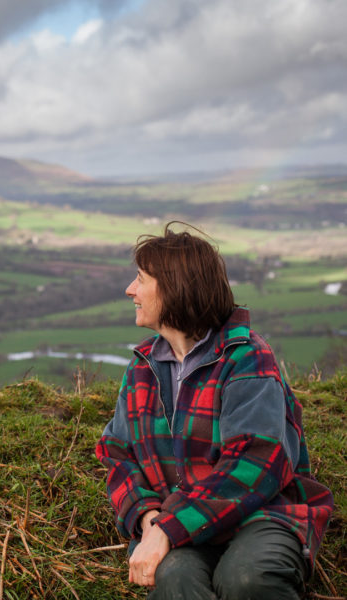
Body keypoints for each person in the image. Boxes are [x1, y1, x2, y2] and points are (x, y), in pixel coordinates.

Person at [95, 223, 333, 599]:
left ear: (174, 288)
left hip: (260, 515)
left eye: (141, 279)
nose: (130, 290)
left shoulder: (246, 358)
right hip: (176, 523)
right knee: (175, 580)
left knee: (247, 579)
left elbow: (256, 463)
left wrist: (166, 529)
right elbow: (117, 453)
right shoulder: (143, 367)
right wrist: (148, 518)